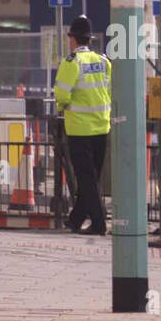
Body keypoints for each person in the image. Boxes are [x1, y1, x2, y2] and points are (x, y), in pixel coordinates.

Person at [54, 15, 112, 235]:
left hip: (79, 129)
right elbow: (110, 90)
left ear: (73, 39)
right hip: (102, 127)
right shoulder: (103, 61)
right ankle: (76, 218)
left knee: (86, 179)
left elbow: (61, 94)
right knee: (91, 177)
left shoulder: (72, 63)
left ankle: (98, 223)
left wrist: (62, 106)